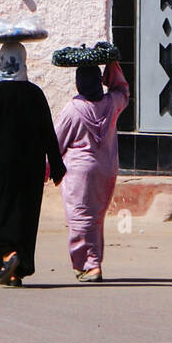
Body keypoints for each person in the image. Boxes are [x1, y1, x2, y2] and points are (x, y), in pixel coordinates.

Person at [0, 42, 64, 286]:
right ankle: (16, 271)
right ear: (23, 61)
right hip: (30, 169)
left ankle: (8, 256)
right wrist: (57, 166)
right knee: (24, 217)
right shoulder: (35, 94)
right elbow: (48, 133)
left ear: (2, 62)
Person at [53, 60, 129, 282]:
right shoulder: (112, 103)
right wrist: (111, 65)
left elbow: (56, 143)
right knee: (95, 219)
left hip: (79, 173)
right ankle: (92, 262)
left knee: (80, 218)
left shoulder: (73, 110)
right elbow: (123, 90)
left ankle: (89, 265)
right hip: (106, 170)